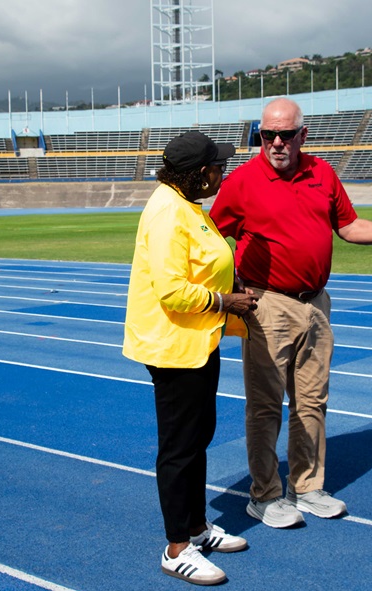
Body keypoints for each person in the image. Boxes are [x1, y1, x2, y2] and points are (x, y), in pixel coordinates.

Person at [209, 98, 372, 528]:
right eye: (268, 135)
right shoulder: (243, 181)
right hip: (267, 305)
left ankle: (307, 487)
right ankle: (263, 495)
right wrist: (231, 281)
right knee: (265, 406)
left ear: (303, 135)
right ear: (259, 136)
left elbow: (349, 226)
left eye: (285, 134)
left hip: (316, 302)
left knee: (312, 402)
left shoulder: (322, 172)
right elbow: (210, 236)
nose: (277, 142)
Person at [123, 131, 259, 585]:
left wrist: (230, 288)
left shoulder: (185, 205)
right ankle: (176, 546)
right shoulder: (167, 212)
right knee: (180, 447)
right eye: (218, 166)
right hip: (174, 346)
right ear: (200, 173)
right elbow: (172, 290)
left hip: (197, 341)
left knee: (199, 436)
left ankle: (197, 527)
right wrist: (226, 302)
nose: (224, 172)